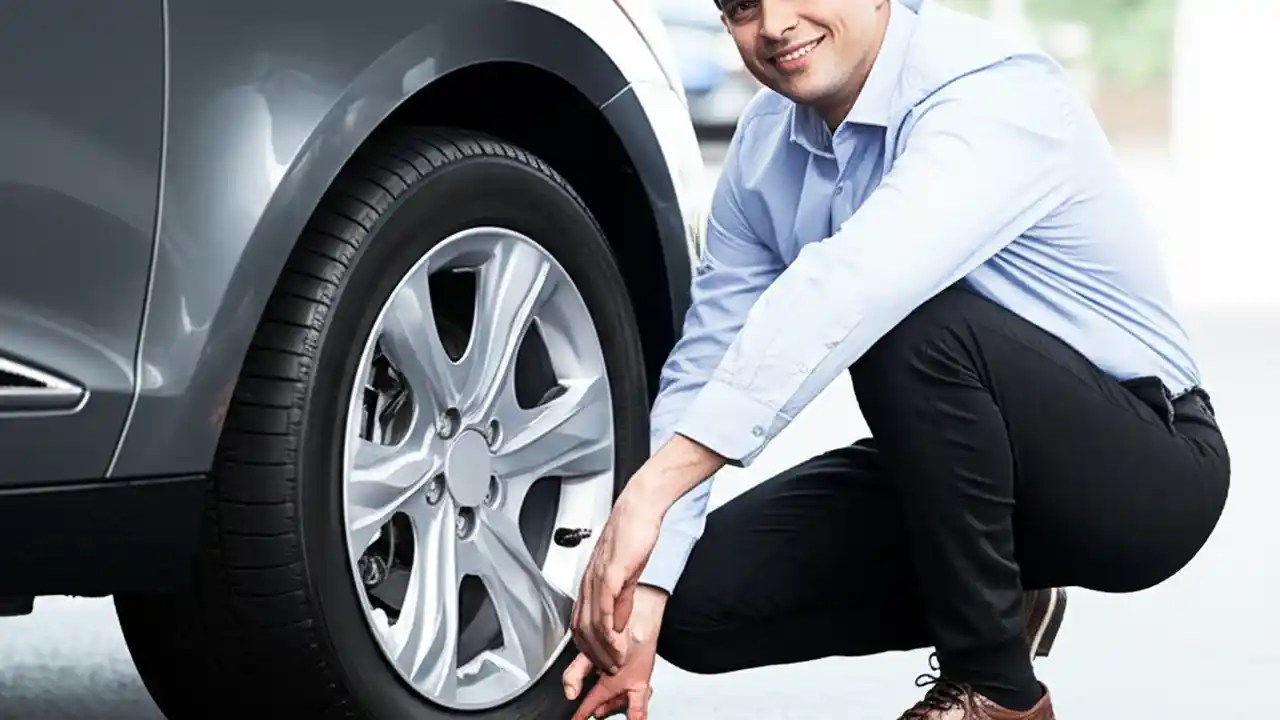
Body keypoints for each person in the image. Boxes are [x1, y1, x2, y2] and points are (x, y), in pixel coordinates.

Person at [562, 0, 1231, 717]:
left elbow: (857, 283)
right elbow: (706, 360)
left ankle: (995, 687)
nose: (776, 25)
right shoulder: (765, 148)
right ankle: (999, 596)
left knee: (908, 321)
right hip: (964, 472)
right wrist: (648, 577)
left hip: (1144, 469)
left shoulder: (986, 88)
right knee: (694, 602)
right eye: (744, 8)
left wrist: (649, 492)